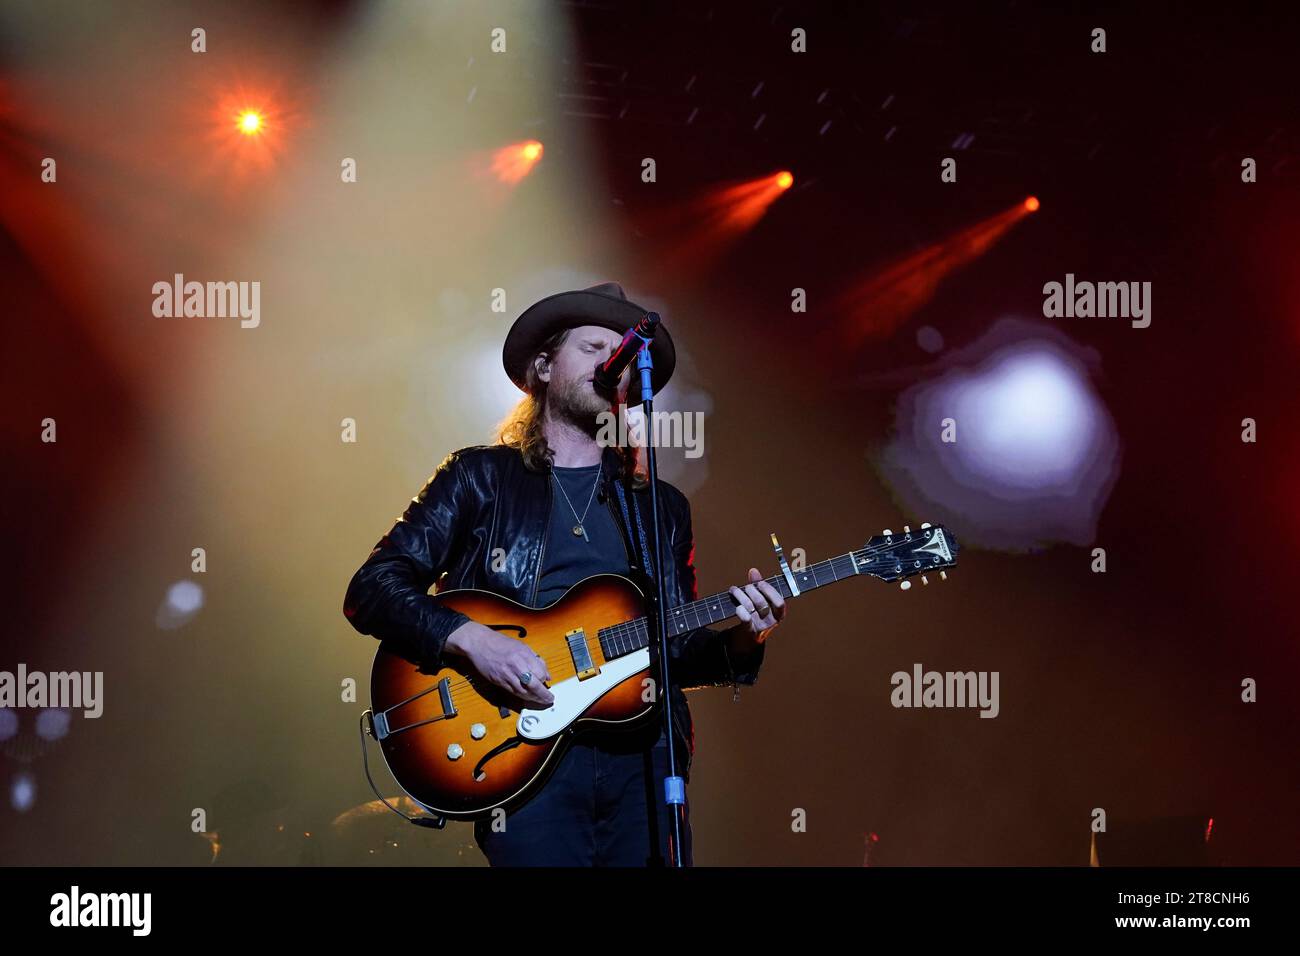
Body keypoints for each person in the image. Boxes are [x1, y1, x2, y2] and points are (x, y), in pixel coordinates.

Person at [344, 281, 786, 865]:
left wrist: (746, 635)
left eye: (623, 355)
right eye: (593, 346)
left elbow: (675, 650)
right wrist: (475, 642)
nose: (612, 361)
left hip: (644, 760)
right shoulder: (480, 478)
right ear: (544, 367)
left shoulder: (661, 508)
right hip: (522, 753)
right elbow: (372, 588)